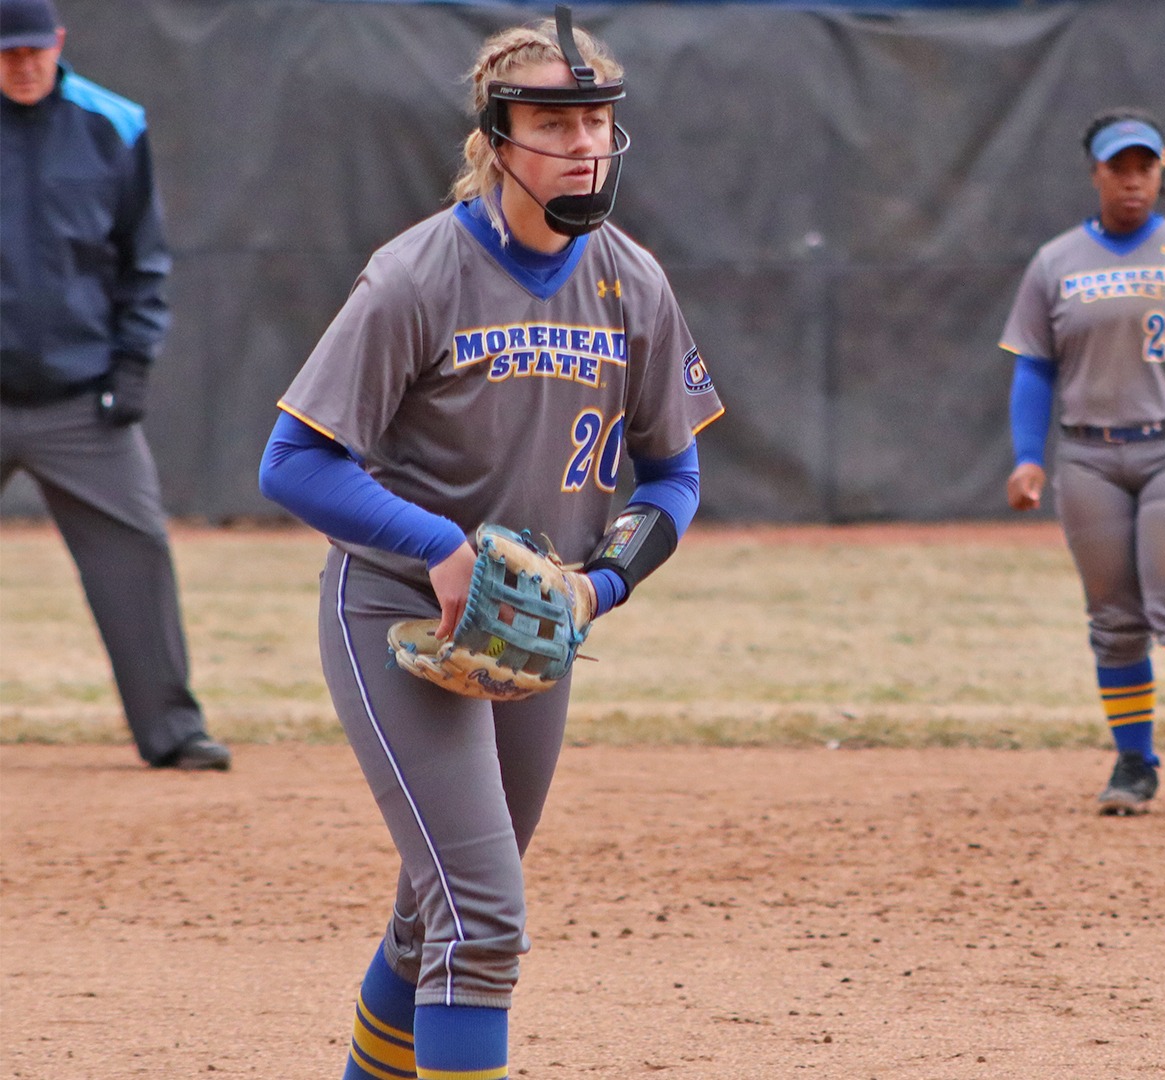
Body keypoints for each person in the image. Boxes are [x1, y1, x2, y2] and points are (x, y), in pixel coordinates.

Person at [256, 9, 721, 1078]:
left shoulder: (630, 281)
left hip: (534, 630)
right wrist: (436, 546)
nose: (582, 145)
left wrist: (600, 585)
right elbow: (293, 461)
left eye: (596, 123)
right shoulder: (416, 275)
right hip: (397, 612)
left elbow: (676, 473)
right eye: (554, 124)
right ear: (497, 137)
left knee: (440, 910)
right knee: (483, 919)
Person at [1000, 108, 1165, 819]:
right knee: (1114, 620)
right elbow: (1034, 371)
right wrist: (1028, 458)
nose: (1133, 180)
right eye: (1119, 167)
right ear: (1096, 174)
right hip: (1087, 456)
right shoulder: (1055, 263)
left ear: (1161, 171)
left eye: (1145, 167)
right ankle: (1134, 766)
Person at [0, 0, 229, 771]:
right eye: (6, 53)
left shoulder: (114, 124)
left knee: (136, 552)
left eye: (33, 50)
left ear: (58, 43)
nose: (21, 64)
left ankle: (172, 730)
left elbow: (144, 262)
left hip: (81, 401)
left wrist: (130, 370)